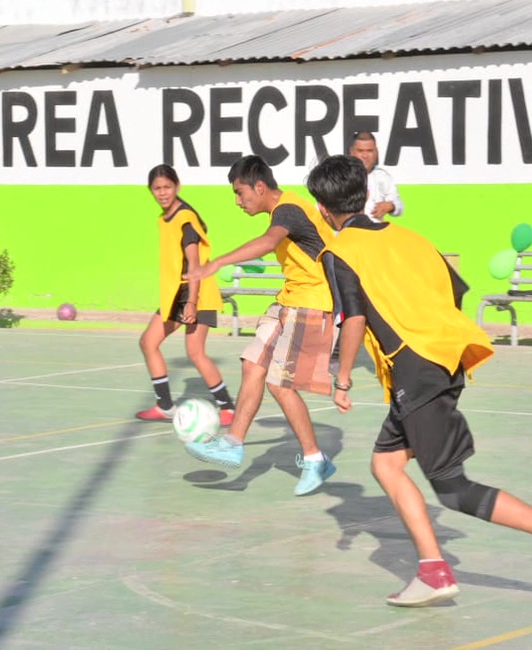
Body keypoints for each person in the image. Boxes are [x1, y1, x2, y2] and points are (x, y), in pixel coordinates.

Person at [306, 154, 532, 608]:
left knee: (452, 487)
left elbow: (354, 318)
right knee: (386, 465)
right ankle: (433, 569)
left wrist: (342, 380)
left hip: (417, 368)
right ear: (365, 196)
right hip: (445, 357)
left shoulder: (339, 252)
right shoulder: (412, 239)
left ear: (323, 210)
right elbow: (456, 292)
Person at [182, 155, 339, 496]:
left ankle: (316, 459)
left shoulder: (288, 209)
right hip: (290, 298)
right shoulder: (283, 211)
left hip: (313, 302)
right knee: (252, 363)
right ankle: (232, 444)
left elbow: (268, 243)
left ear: (260, 187)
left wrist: (216, 263)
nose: (238, 202)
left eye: (240, 193)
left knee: (279, 384)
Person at [135, 164, 235, 426]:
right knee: (148, 342)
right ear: (150, 190)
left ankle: (228, 407)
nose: (162, 192)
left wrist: (191, 301)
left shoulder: (186, 219)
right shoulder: (163, 219)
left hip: (196, 292)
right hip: (175, 294)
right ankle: (165, 406)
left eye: (167, 187)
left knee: (195, 352)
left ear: (177, 186)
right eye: (157, 188)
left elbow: (194, 264)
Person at [348, 131, 403, 223]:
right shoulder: (341, 176)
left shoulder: (383, 177)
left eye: (369, 151)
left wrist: (391, 206)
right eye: (360, 151)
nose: (365, 156)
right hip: (348, 230)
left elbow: (399, 205)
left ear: (376, 152)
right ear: (351, 152)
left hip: (375, 230)